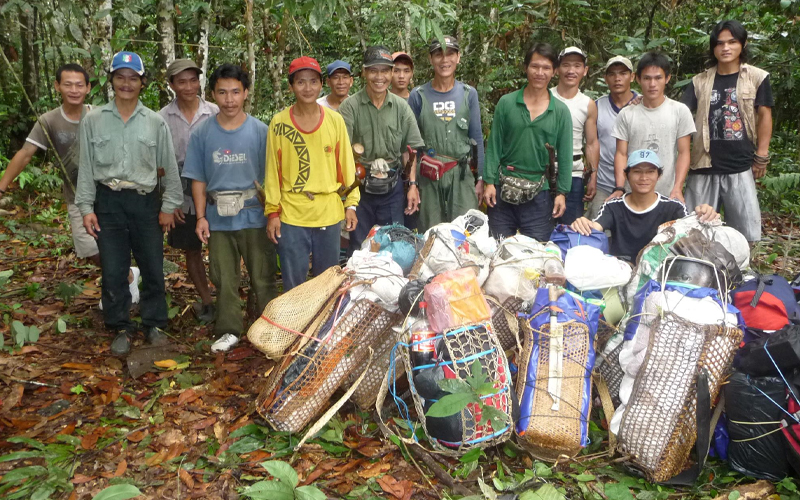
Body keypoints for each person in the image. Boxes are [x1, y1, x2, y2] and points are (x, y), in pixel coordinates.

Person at [0, 65, 141, 303]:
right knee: (89, 248)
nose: (74, 90)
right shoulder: (49, 121)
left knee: (112, 242)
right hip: (76, 195)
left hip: (109, 193)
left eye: (79, 85)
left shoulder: (101, 115)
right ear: (57, 86)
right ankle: (128, 276)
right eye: (67, 84)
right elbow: (25, 153)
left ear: (88, 88)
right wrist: (2, 186)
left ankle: (119, 289)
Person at [75, 51, 183, 356]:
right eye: (120, 77)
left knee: (151, 264)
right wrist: (86, 208)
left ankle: (154, 323)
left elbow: (169, 168)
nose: (126, 83)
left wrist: (168, 206)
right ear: (111, 81)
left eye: (132, 78)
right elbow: (86, 168)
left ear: (142, 82)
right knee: (112, 268)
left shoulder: (155, 122)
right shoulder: (93, 120)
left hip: (145, 201)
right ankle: (120, 325)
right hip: (107, 201)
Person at [182, 63, 277, 353]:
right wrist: (200, 217)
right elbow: (198, 178)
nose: (229, 99)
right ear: (213, 94)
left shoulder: (261, 131)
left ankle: (271, 327)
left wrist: (273, 214)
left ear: (246, 93)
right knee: (224, 277)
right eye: (222, 92)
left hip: (254, 215)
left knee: (263, 275)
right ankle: (228, 329)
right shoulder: (202, 134)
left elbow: (271, 177)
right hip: (219, 217)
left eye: (236, 92)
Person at [266, 57, 360, 291]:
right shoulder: (278, 123)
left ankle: (323, 327)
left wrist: (351, 204)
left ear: (321, 85)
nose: (307, 88)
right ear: (291, 86)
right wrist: (272, 213)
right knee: (293, 282)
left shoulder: (334, 121)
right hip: (292, 213)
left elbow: (346, 166)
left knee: (327, 281)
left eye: (313, 82)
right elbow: (273, 171)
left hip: (328, 211)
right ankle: (295, 326)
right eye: (300, 82)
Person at [680, 20, 773, 243]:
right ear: (713, 48)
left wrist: (762, 155)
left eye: (732, 42)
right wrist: (643, 100)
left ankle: (741, 273)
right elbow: (680, 113)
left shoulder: (757, 77)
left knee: (745, 234)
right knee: (694, 231)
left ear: (743, 44)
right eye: (720, 43)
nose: (726, 48)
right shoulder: (699, 81)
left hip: (740, 165)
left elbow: (765, 114)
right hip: (703, 165)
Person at [338, 46, 424, 254]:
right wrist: (348, 202)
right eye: (373, 71)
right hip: (360, 189)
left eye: (385, 71)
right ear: (364, 72)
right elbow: (341, 154)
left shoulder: (401, 107)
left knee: (394, 246)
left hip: (392, 187)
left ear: (391, 73)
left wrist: (412, 185)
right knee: (359, 248)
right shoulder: (350, 107)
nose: (380, 77)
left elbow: (409, 151)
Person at [483, 43, 572, 242]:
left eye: (546, 68)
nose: (540, 73)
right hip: (503, 188)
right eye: (535, 66)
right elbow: (494, 144)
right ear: (526, 68)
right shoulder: (506, 103)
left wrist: (562, 193)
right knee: (498, 250)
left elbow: (565, 156)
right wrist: (489, 181)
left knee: (536, 253)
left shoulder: (560, 112)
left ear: (554, 72)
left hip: (540, 193)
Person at [572, 149, 718, 263]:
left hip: (659, 274)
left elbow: (692, 231)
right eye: (637, 172)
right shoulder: (613, 207)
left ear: (658, 175)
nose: (644, 178)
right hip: (621, 272)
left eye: (650, 172)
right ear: (627, 175)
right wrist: (583, 224)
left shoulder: (674, 208)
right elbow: (595, 227)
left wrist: (704, 214)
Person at [159, 59, 218, 322]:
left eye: (193, 80)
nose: (189, 86)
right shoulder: (161, 119)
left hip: (215, 192)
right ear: (171, 85)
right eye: (181, 81)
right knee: (191, 249)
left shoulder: (215, 111)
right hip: (181, 194)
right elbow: (160, 164)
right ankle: (206, 301)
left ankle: (225, 297)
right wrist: (170, 202)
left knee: (221, 246)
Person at [408, 35, 485, 232]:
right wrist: (413, 184)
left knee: (466, 233)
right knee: (431, 234)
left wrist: (481, 178)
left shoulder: (469, 93)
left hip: (461, 174)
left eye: (450, 54)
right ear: (430, 59)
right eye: (438, 55)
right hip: (428, 176)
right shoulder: (418, 96)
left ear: (458, 57)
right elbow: (411, 146)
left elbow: (477, 138)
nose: (445, 60)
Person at [609, 52, 695, 203]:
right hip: (632, 196)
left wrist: (677, 187)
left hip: (667, 195)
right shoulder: (627, 114)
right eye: (647, 78)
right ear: (637, 79)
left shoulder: (680, 111)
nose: (652, 84)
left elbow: (683, 152)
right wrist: (620, 187)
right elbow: (621, 154)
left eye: (658, 78)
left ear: (667, 78)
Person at [550, 46, 599, 225]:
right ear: (557, 69)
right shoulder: (545, 97)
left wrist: (593, 175)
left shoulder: (588, 104)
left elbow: (591, 142)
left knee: (571, 227)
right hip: (544, 172)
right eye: (566, 65)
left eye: (577, 66)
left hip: (574, 174)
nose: (571, 71)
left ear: (585, 71)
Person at [586, 55, 638, 220]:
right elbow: (591, 143)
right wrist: (592, 178)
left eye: (623, 73)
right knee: (598, 229)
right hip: (604, 183)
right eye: (612, 74)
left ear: (632, 76)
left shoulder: (643, 104)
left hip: (638, 184)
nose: (617, 78)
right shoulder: (597, 107)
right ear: (605, 78)